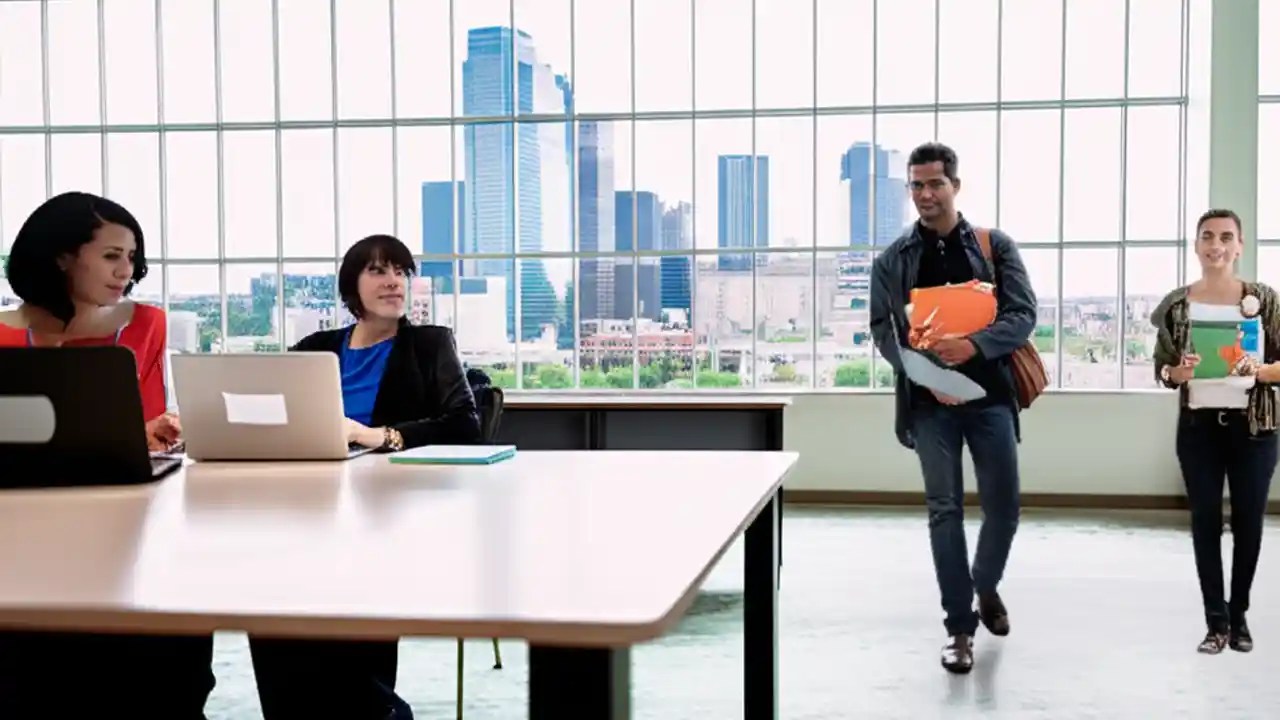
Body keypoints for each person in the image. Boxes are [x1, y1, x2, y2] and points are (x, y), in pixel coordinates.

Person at [248, 233, 481, 719]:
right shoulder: (317, 349)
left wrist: (380, 435)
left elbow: (464, 425)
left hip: (386, 509)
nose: (393, 281)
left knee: (338, 609)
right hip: (308, 503)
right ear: (352, 286)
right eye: (378, 270)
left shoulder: (430, 343)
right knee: (269, 602)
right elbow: (268, 400)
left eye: (401, 271)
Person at [0, 192, 212, 716]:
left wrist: (156, 431)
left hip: (124, 521)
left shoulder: (146, 325)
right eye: (112, 255)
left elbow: (143, 432)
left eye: (133, 257)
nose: (127, 270)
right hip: (21, 525)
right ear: (62, 256)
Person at [868, 142, 1037, 674]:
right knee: (944, 511)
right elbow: (884, 333)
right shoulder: (892, 260)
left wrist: (973, 346)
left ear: (955, 186)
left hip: (988, 397)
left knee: (1004, 508)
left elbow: (1023, 314)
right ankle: (959, 628)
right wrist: (930, 375)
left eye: (935, 184)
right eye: (916, 185)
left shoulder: (994, 247)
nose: (925, 194)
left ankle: (984, 585)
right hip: (929, 404)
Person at [1151, 208, 1280, 655]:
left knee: (1248, 524)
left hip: (1255, 430)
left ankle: (1240, 616)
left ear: (1240, 245)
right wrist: (1177, 375)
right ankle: (1216, 622)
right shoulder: (1177, 304)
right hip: (1198, 430)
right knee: (1205, 522)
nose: (1216, 245)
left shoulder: (1264, 299)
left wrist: (1260, 371)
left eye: (1226, 237)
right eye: (1207, 236)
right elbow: (1161, 371)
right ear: (1196, 244)